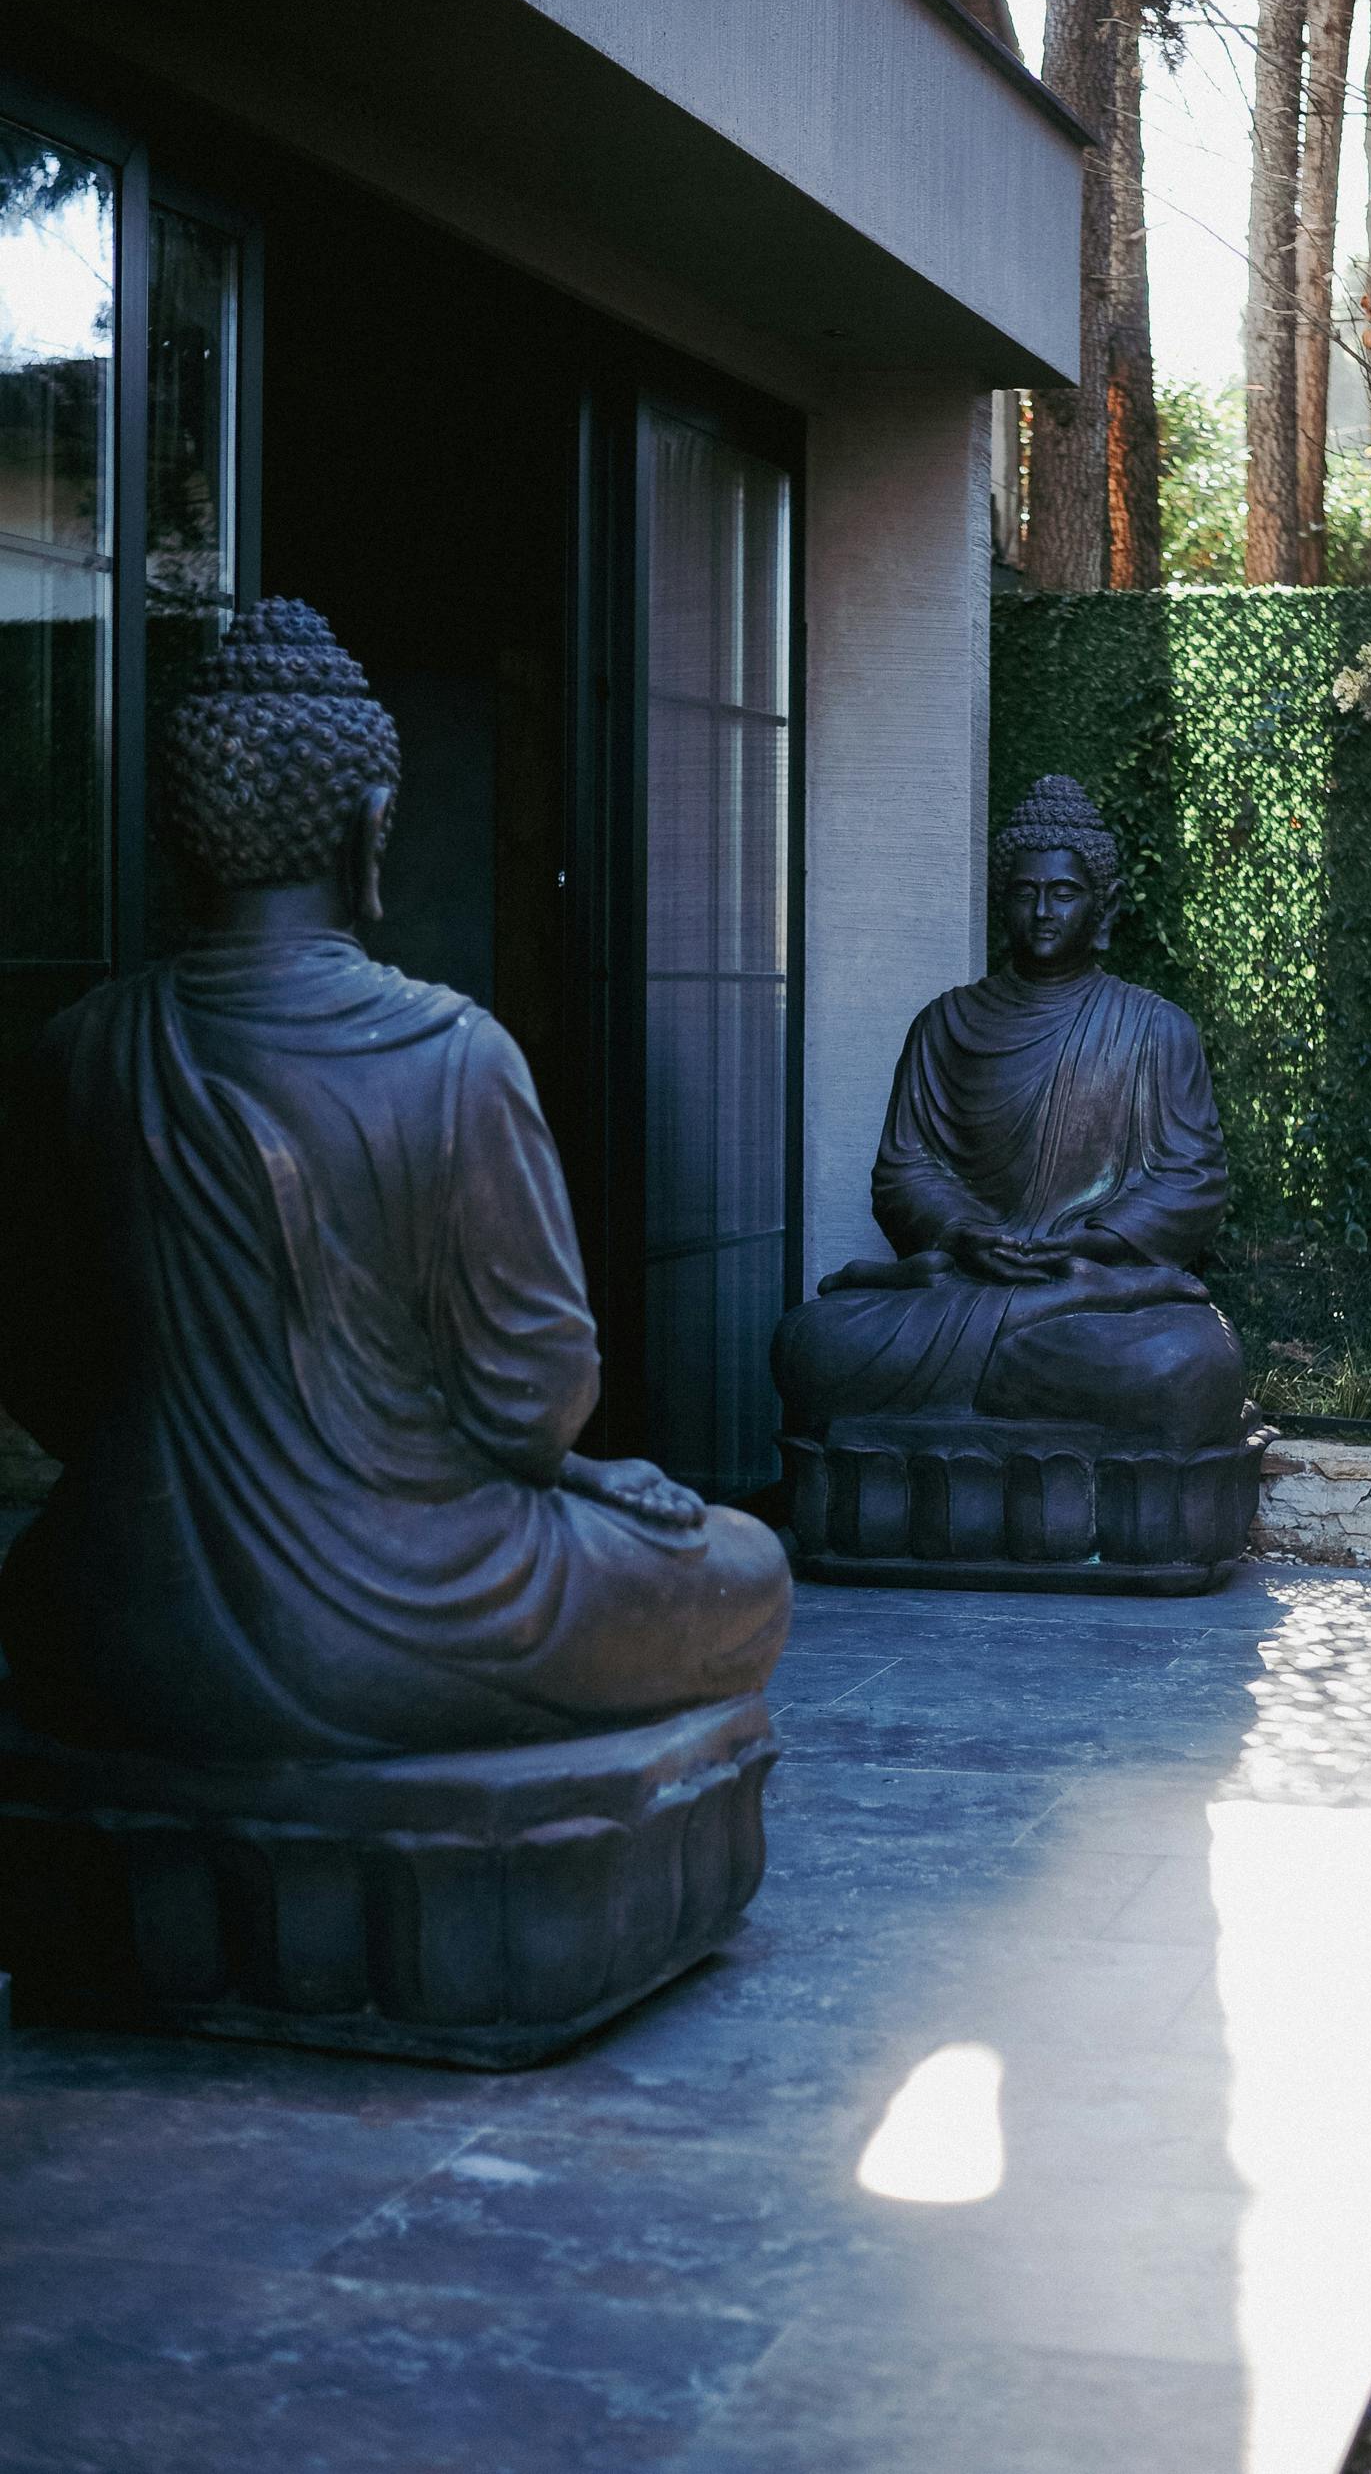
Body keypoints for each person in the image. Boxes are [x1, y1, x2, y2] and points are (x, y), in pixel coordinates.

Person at [0, 600, 789, 1761]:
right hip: (410, 1602)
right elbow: (533, 1398)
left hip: (115, 1607)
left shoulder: (82, 1048)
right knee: (745, 1569)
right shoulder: (452, 1052)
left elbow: (44, 1369)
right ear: (370, 830)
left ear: (178, 834)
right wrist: (575, 1475)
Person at [773, 773, 1246, 1451]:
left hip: (1086, 1294)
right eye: (1025, 893)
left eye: (1064, 892)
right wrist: (964, 1231)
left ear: (1103, 906)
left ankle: (978, 1391)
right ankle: (1004, 1386)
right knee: (810, 1342)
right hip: (964, 1286)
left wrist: (1087, 1239)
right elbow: (904, 1170)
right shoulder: (947, 1023)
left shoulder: (1154, 1028)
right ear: (1001, 902)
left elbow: (1194, 1179)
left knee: (1185, 1362)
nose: (1044, 912)